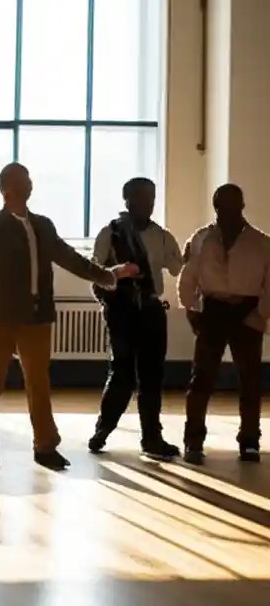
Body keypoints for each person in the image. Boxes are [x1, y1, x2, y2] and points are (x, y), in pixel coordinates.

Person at [0, 162, 137, 471]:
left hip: (37, 317)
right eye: (22, 181)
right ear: (6, 189)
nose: (29, 185)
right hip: (0, 317)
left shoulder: (43, 225)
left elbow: (69, 257)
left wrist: (107, 275)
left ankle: (45, 446)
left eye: (29, 180)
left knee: (39, 383)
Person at [88, 178, 183, 459]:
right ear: (126, 199)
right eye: (141, 198)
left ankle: (152, 437)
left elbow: (178, 268)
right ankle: (102, 430)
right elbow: (94, 272)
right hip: (122, 311)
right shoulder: (111, 233)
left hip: (152, 311)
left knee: (152, 376)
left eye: (152, 198)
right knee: (121, 373)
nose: (148, 204)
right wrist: (117, 273)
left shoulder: (162, 236)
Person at [177, 183, 270, 465]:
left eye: (232, 205)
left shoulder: (262, 242)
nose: (225, 211)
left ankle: (250, 441)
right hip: (213, 311)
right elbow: (188, 275)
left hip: (248, 311)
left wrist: (260, 315)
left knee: (250, 380)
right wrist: (191, 309)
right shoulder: (201, 238)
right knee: (201, 379)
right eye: (220, 205)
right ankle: (193, 441)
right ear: (215, 206)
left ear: (242, 205)